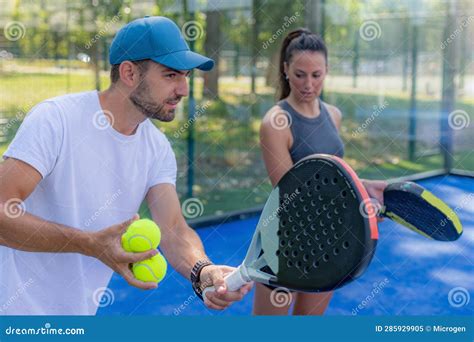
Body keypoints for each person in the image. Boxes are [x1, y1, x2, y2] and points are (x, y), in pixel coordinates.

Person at [0, 16, 251, 315]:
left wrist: (203, 271)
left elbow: (172, 228)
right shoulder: (55, 120)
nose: (184, 89)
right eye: (171, 75)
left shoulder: (156, 148)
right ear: (129, 73)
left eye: (185, 76)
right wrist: (88, 243)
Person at [256, 28, 387, 315]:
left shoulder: (334, 114)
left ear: (326, 71)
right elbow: (293, 194)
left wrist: (367, 188)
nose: (308, 83)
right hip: (283, 244)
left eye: (317, 75)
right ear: (285, 69)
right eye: (300, 74)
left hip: (328, 240)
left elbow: (333, 176)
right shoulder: (275, 122)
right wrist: (359, 201)